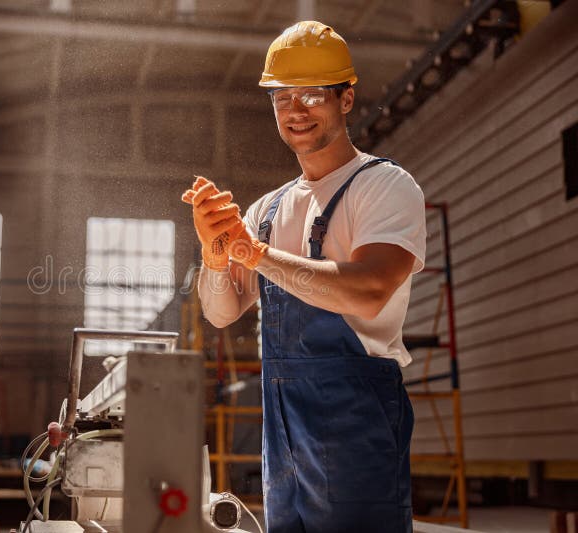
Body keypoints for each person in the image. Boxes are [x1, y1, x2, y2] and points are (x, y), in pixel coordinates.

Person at [181, 21, 426, 533]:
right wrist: (215, 254)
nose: (296, 110)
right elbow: (220, 312)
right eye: (282, 97)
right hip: (282, 421)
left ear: (346, 100)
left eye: (312, 96)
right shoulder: (267, 208)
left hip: (355, 418)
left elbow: (369, 289)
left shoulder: (382, 186)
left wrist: (257, 254)